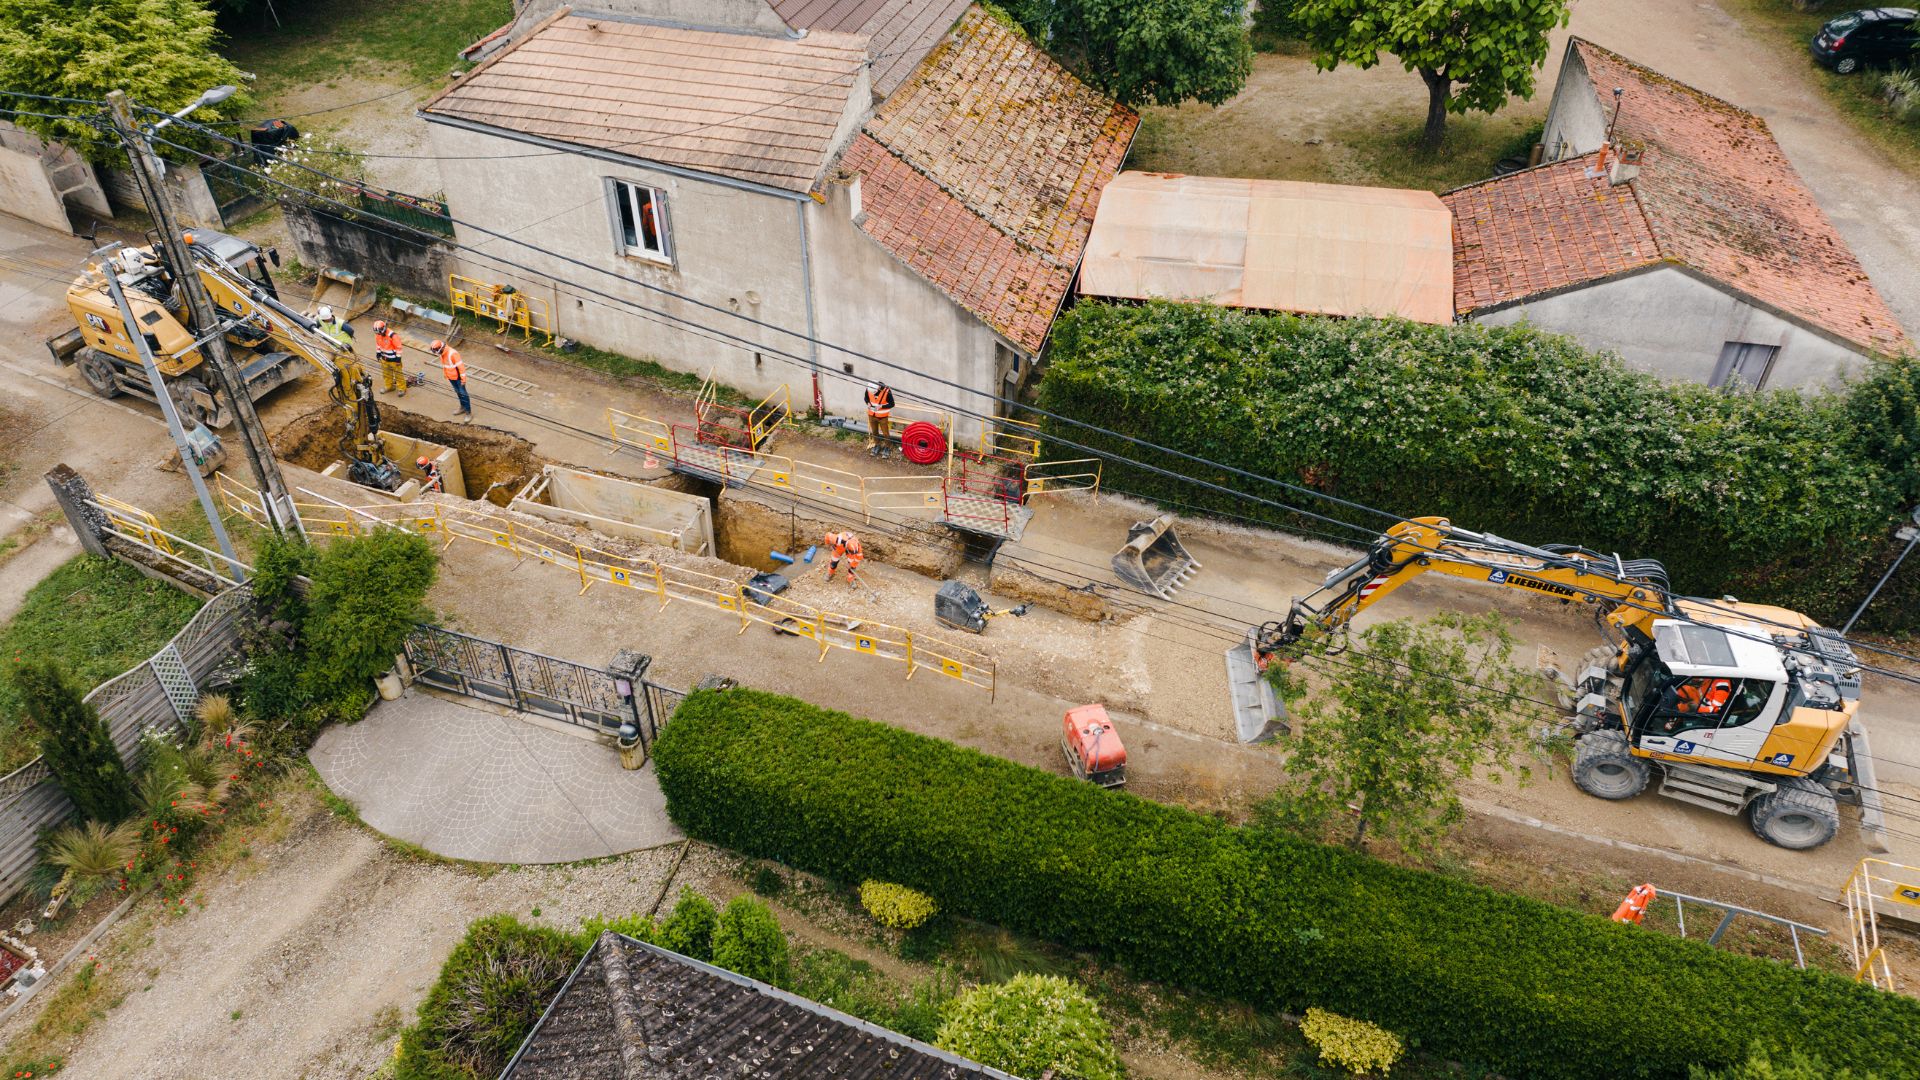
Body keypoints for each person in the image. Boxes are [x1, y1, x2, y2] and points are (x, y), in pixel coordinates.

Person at [429, 339, 472, 417]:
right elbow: (446, 365)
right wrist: (446, 375)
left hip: (458, 379)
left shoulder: (453, 353)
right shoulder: (442, 353)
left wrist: (463, 379)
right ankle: (462, 407)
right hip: (451, 377)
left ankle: (468, 412)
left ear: (440, 348)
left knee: (463, 394)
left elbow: (461, 367)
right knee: (458, 392)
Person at [372, 319, 406, 396]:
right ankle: (389, 386)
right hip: (384, 358)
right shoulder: (378, 334)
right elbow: (378, 344)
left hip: (394, 360)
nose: (379, 334)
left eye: (380, 332)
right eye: (377, 333)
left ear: (384, 328)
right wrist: (378, 353)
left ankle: (401, 388)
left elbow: (399, 347)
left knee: (398, 374)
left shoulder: (392, 335)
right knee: (386, 374)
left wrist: (398, 358)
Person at [863, 380, 894, 457]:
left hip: (882, 417)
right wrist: (868, 403)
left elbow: (892, 404)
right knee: (874, 432)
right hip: (872, 415)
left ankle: (888, 447)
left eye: (874, 392)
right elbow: (866, 398)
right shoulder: (869, 388)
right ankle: (877, 445)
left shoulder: (887, 391)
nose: (873, 394)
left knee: (885, 433)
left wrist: (881, 406)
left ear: (879, 387)